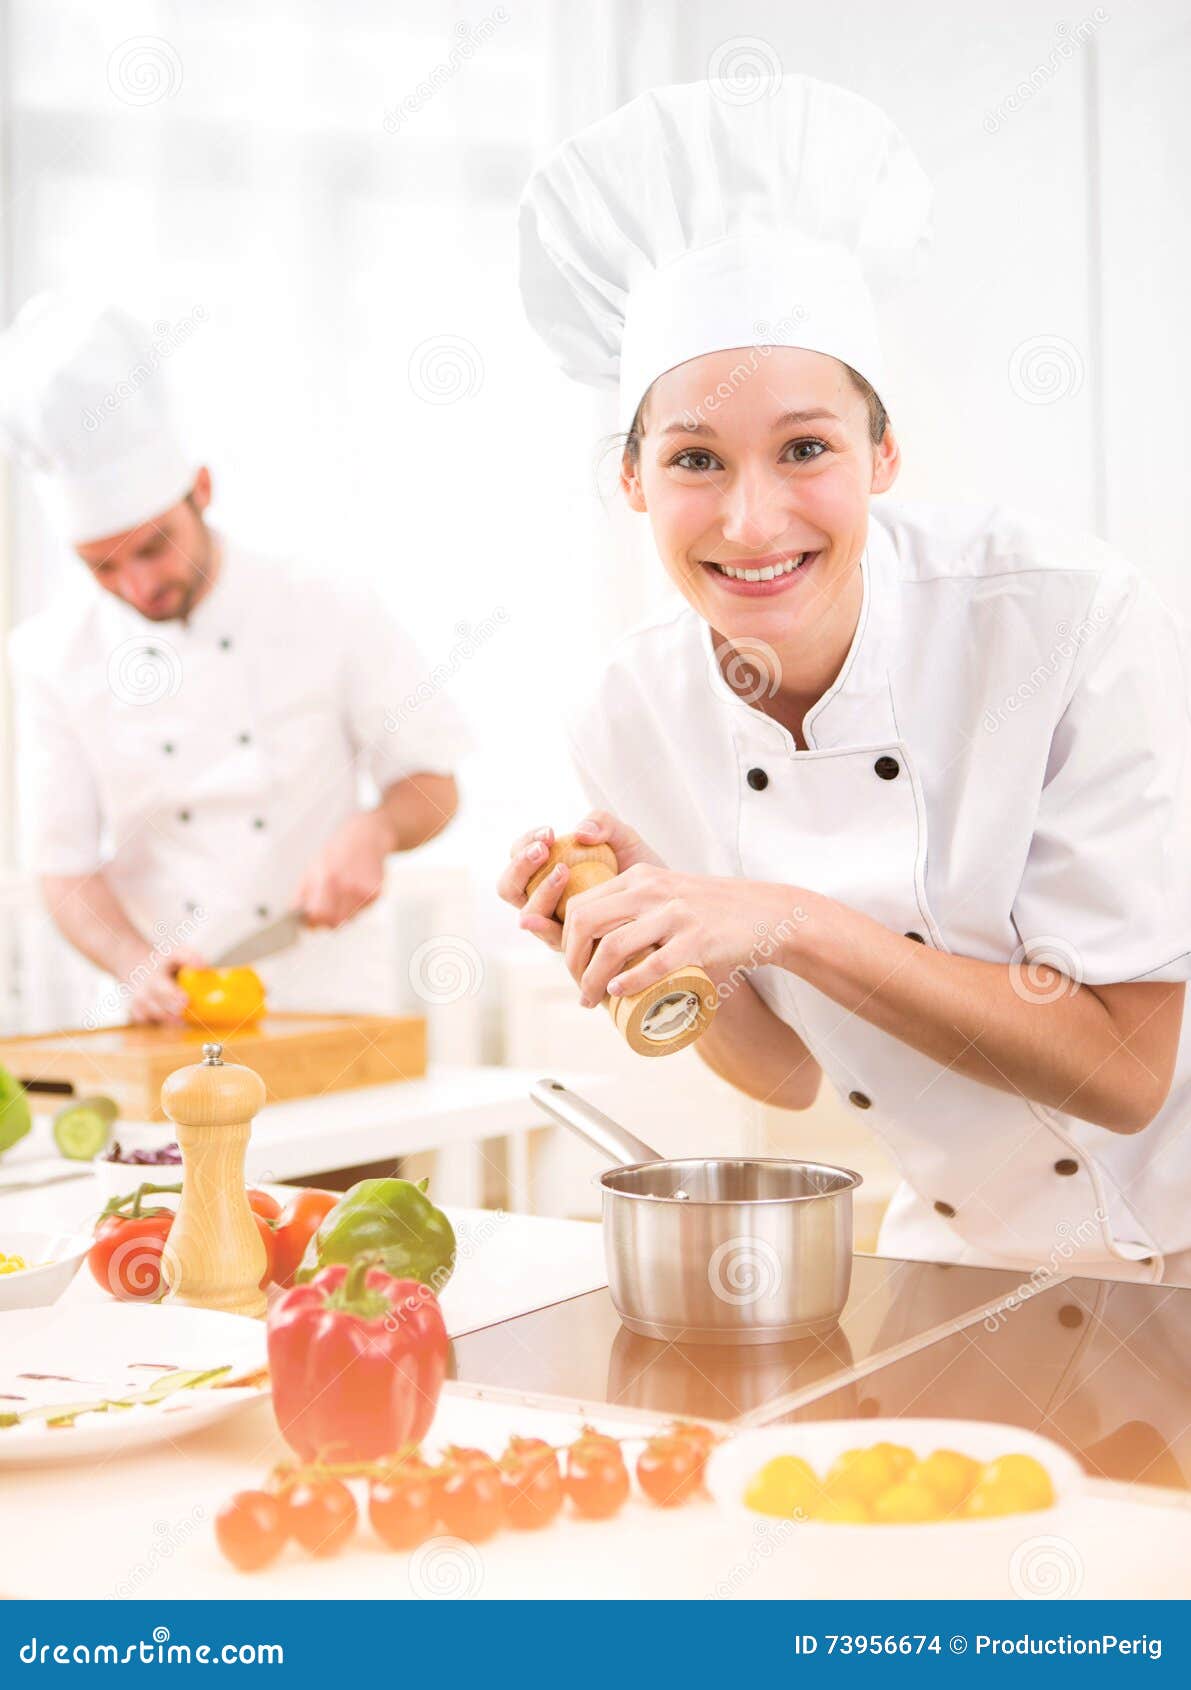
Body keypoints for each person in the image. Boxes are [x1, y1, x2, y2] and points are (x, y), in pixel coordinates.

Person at [499, 75, 1191, 1283]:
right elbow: (786, 1071)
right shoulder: (629, 712)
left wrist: (785, 920)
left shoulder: (1063, 620)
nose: (751, 518)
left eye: (806, 448)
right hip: (966, 1259)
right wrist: (678, 950)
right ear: (632, 484)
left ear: (882, 454)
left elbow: (1126, 1077)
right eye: (695, 460)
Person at [1, 295, 467, 1021]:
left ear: (202, 490)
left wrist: (375, 832)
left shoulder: (328, 603)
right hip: (167, 1017)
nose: (139, 585)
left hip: (329, 1002)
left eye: (154, 546)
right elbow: (61, 871)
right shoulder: (50, 657)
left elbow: (435, 781)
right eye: (103, 567)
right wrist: (132, 961)